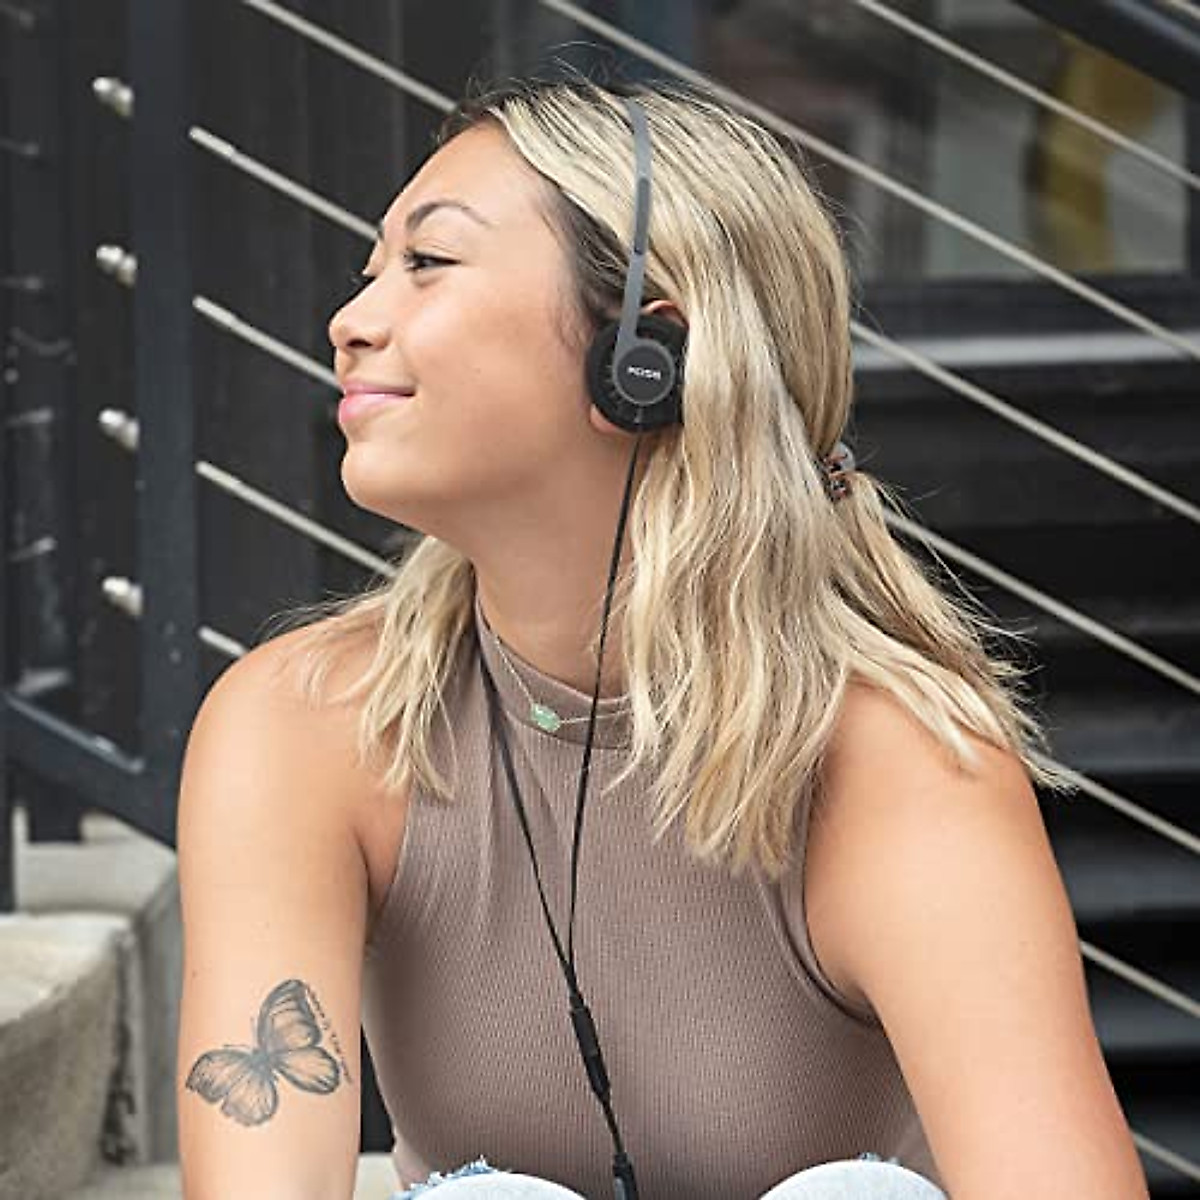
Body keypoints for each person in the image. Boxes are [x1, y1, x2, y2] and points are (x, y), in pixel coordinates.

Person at [175, 68, 1149, 1200]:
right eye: (369, 270)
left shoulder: (898, 760)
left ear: (646, 357)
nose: (350, 323)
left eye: (427, 262)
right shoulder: (301, 727)